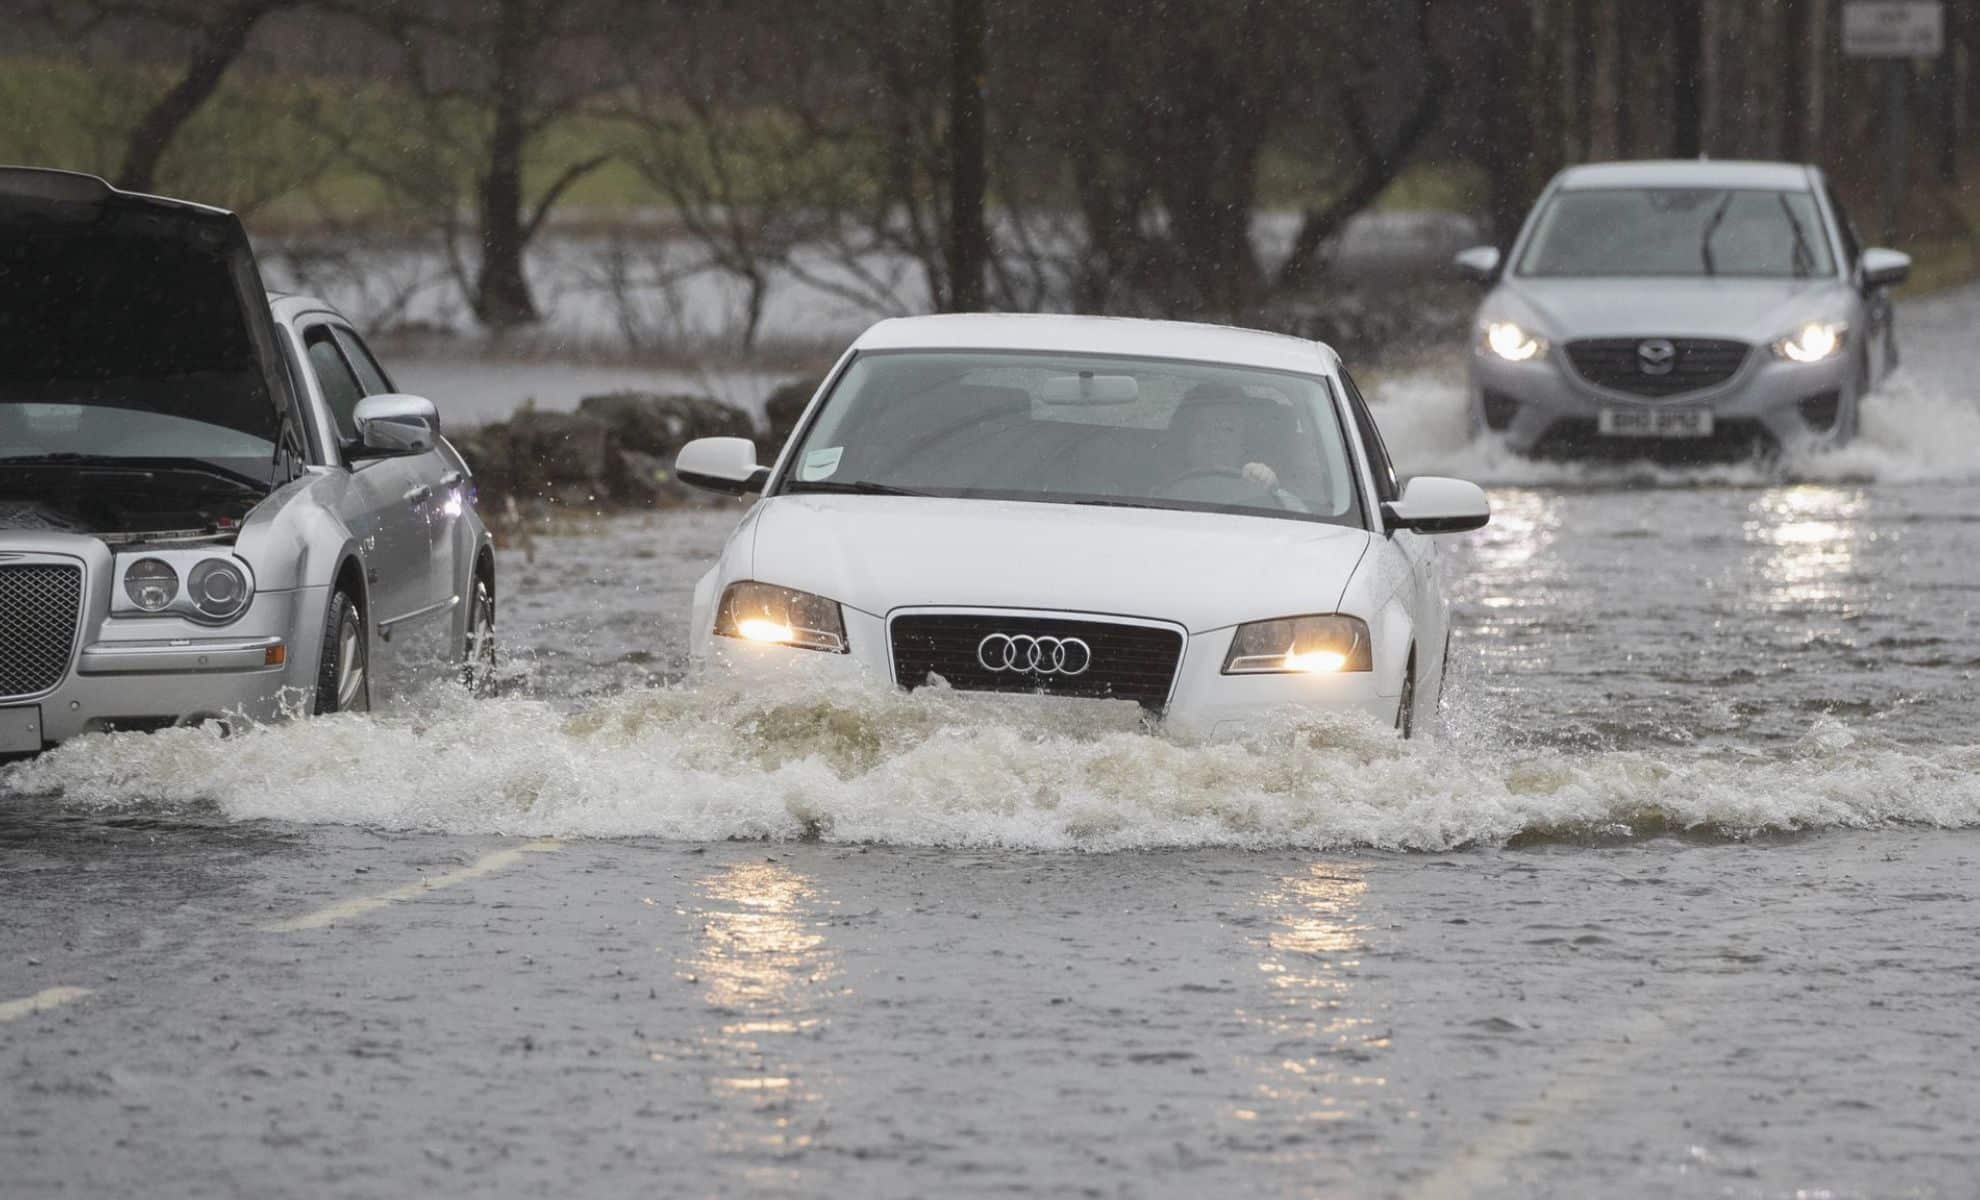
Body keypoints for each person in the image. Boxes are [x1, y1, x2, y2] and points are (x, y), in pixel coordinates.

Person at [1166, 383, 1307, 511]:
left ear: (1244, 438)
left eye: (1227, 429)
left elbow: (1302, 523)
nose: (1214, 438)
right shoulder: (1156, 491)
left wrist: (1273, 492)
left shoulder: (1261, 485)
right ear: (1185, 437)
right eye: (1201, 428)